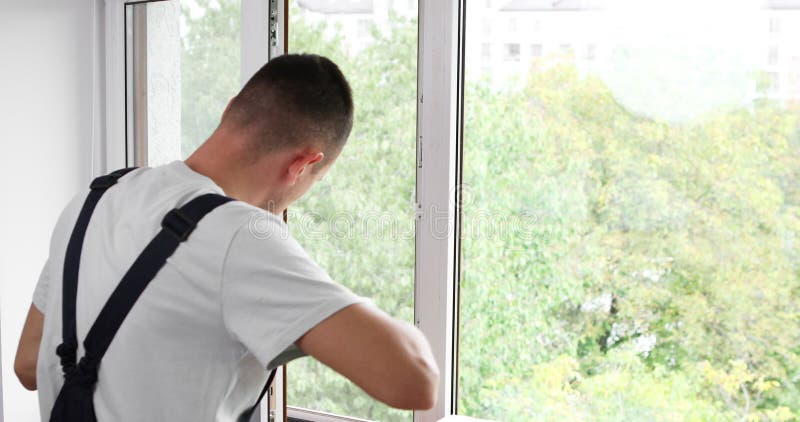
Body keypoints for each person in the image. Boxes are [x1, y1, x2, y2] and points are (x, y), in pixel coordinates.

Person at [13, 54, 439, 421]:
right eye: (316, 179)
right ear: (303, 164)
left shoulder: (97, 198)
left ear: (230, 108)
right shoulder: (240, 236)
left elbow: (29, 363)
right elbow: (415, 379)